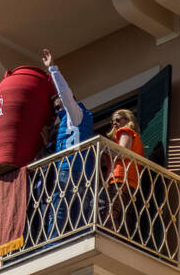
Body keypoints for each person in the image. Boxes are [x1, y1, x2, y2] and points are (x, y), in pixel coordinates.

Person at [41, 47, 95, 240]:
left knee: (60, 208)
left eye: (59, 106)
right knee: (76, 211)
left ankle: (52, 242)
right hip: (82, 172)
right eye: (56, 109)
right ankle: (74, 241)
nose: (58, 110)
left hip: (71, 169)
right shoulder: (69, 121)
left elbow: (65, 93)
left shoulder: (76, 115)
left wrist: (53, 69)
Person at [104, 108, 145, 236]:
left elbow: (121, 153)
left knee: (113, 213)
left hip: (120, 178)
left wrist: (103, 149)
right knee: (123, 214)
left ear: (127, 120)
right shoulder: (134, 137)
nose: (114, 123)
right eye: (112, 121)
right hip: (130, 180)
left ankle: (112, 238)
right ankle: (121, 238)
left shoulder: (125, 132)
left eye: (117, 119)